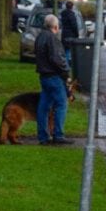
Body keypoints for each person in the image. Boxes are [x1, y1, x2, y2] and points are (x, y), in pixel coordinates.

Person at [34, 14, 72, 145]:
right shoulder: (52, 39)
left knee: (43, 107)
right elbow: (57, 58)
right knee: (62, 104)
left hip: (44, 76)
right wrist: (66, 72)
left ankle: (43, 136)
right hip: (54, 76)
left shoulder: (40, 37)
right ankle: (58, 134)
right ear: (56, 26)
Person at [59, 1, 80, 67]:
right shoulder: (71, 15)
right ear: (72, 7)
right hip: (71, 35)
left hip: (64, 34)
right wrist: (77, 34)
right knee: (69, 51)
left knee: (65, 50)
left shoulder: (63, 14)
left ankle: (64, 64)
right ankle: (67, 66)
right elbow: (74, 26)